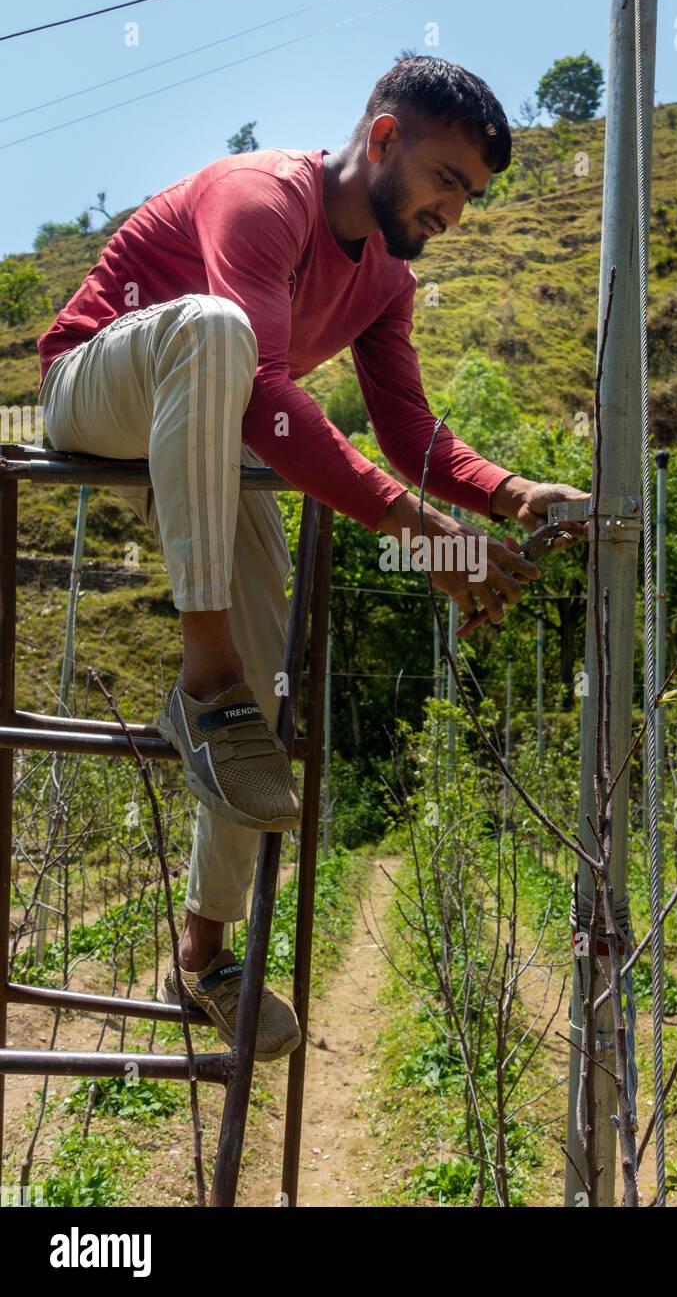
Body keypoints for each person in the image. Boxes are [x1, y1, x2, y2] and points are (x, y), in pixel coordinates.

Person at [36, 55, 587, 1060]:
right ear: (382, 139)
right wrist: (423, 534)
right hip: (101, 381)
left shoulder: (386, 278)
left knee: (266, 686)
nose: (452, 215)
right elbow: (264, 392)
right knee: (215, 329)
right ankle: (200, 673)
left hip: (219, 429)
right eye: (445, 181)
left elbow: (406, 427)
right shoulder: (261, 198)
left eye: (469, 195)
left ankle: (203, 950)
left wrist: (504, 493)